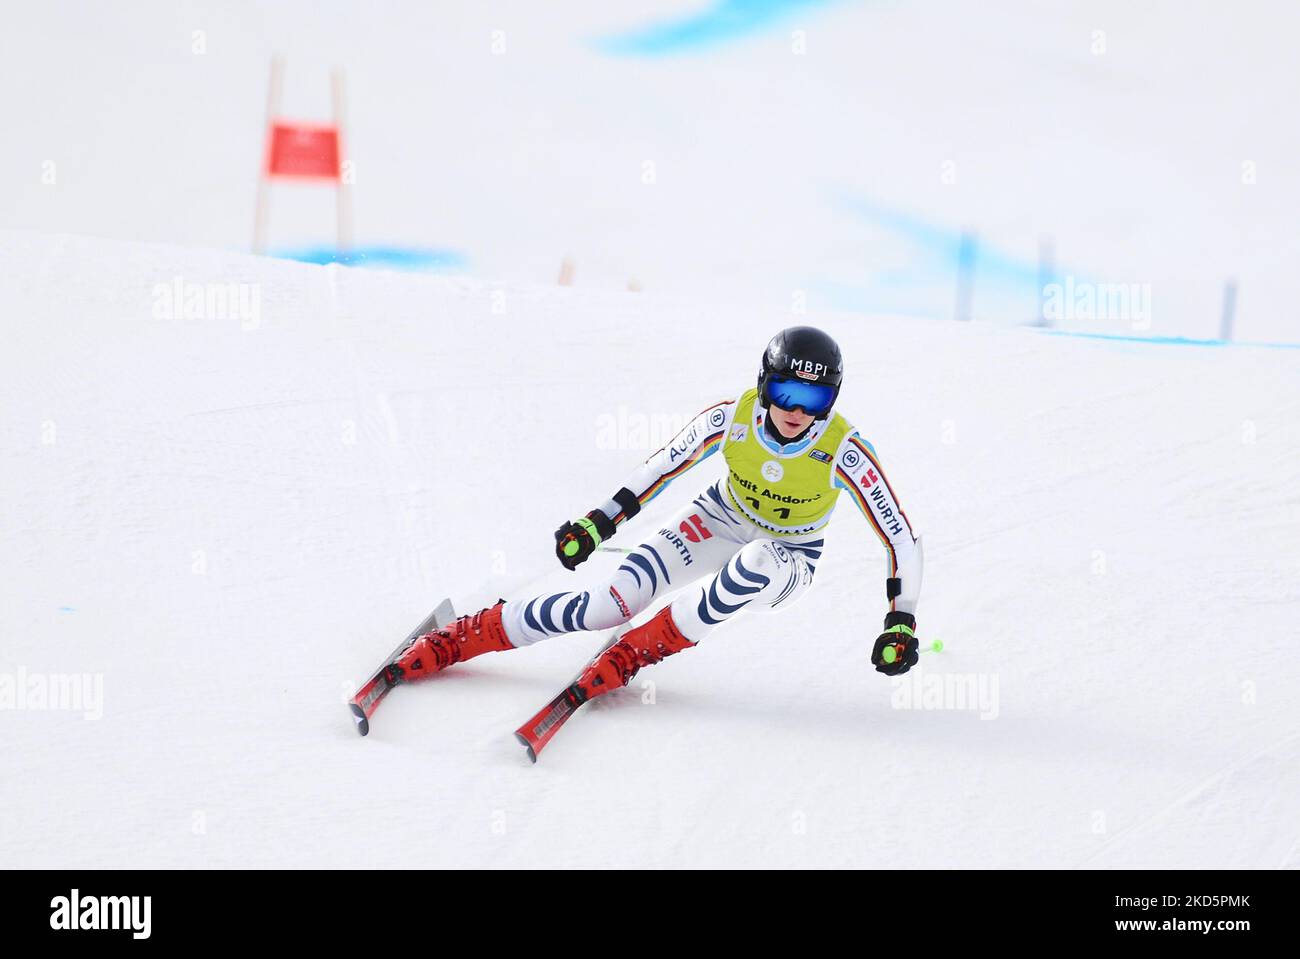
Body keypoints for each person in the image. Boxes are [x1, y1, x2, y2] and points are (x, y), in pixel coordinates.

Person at [387, 325, 923, 701]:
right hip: (716, 520)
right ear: (765, 383)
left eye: (814, 399)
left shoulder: (843, 450)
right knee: (607, 604)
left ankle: (637, 653)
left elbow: (900, 538)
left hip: (789, 558)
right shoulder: (729, 418)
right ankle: (463, 636)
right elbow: (661, 468)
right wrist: (598, 522)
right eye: (785, 392)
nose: (797, 412)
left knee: (757, 559)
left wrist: (901, 621)